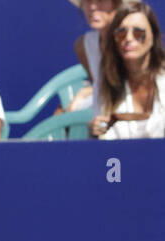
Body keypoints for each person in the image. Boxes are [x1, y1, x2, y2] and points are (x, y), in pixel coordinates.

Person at [91, 1, 165, 138]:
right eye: (121, 33)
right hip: (121, 159)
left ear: (153, 37)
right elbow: (106, 142)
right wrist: (97, 129)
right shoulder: (105, 82)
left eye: (138, 32)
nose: (129, 38)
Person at [67, 0, 123, 112]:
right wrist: (82, 95)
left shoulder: (131, 41)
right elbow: (101, 88)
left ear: (116, 4)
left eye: (101, 0)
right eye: (87, 1)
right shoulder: (83, 45)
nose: (93, 7)